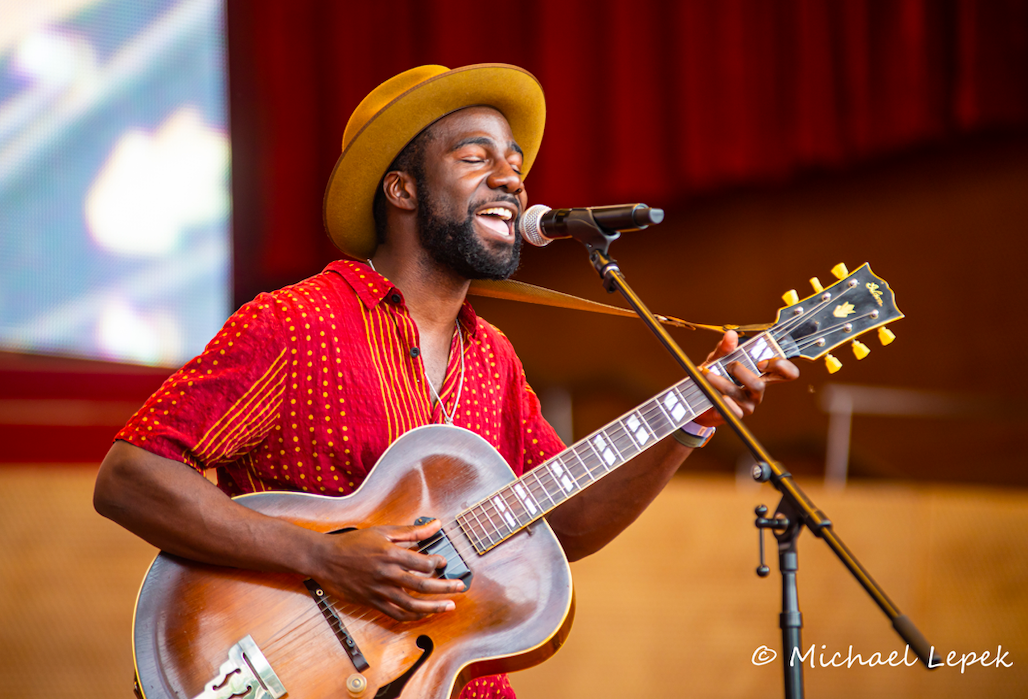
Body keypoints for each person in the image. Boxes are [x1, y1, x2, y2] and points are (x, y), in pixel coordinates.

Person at [95, 63, 798, 699]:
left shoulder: (494, 357)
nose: (512, 178)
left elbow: (561, 526)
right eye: (476, 157)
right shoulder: (294, 322)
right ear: (401, 190)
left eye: (515, 162)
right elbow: (130, 476)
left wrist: (692, 420)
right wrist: (320, 554)